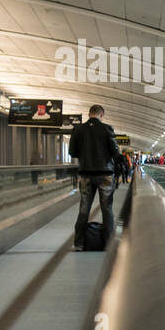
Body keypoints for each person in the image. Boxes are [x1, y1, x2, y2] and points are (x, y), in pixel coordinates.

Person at [68, 104, 122, 252]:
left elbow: (72, 152)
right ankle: (109, 243)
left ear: (89, 114)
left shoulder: (78, 129)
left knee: (84, 209)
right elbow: (115, 152)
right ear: (101, 115)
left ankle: (79, 243)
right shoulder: (107, 129)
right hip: (105, 174)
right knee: (107, 209)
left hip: (85, 174)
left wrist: (85, 156)